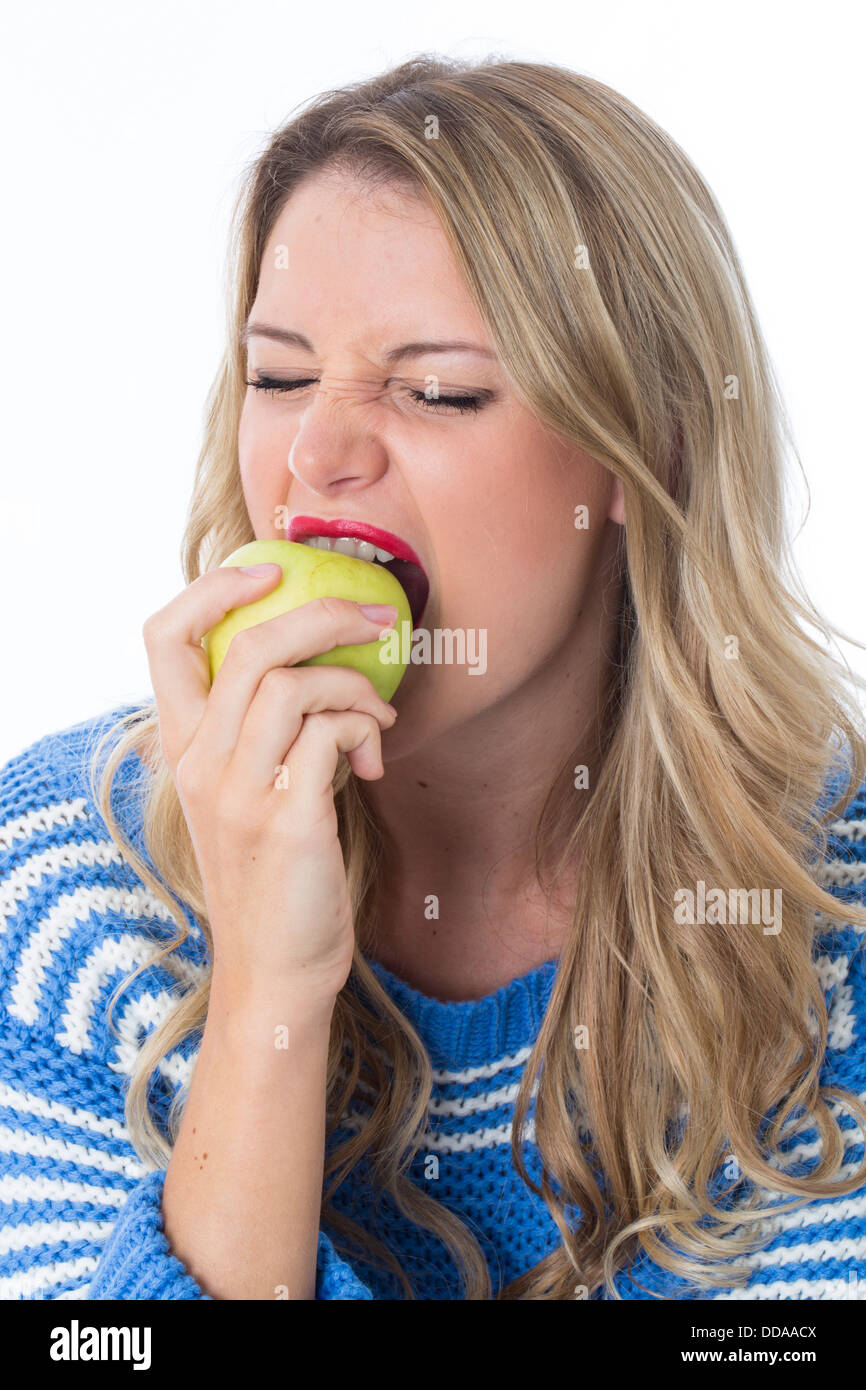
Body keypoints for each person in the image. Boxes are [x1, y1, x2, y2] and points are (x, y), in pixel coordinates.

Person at [2, 53, 866, 1302]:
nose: (318, 451)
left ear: (645, 453)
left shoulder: (828, 929)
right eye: (282, 377)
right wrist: (265, 1000)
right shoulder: (61, 894)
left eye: (438, 389)